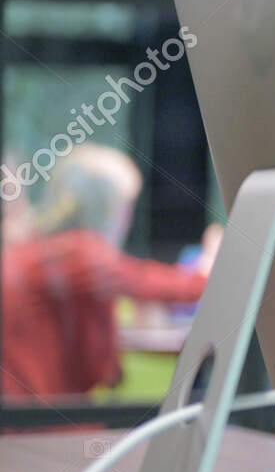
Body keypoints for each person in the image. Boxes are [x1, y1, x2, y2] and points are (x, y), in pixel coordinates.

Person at [2, 144, 218, 400]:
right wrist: (211, 258)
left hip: (32, 413)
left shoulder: (40, 248)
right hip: (47, 423)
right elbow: (166, 285)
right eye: (125, 207)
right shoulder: (79, 255)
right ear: (106, 207)